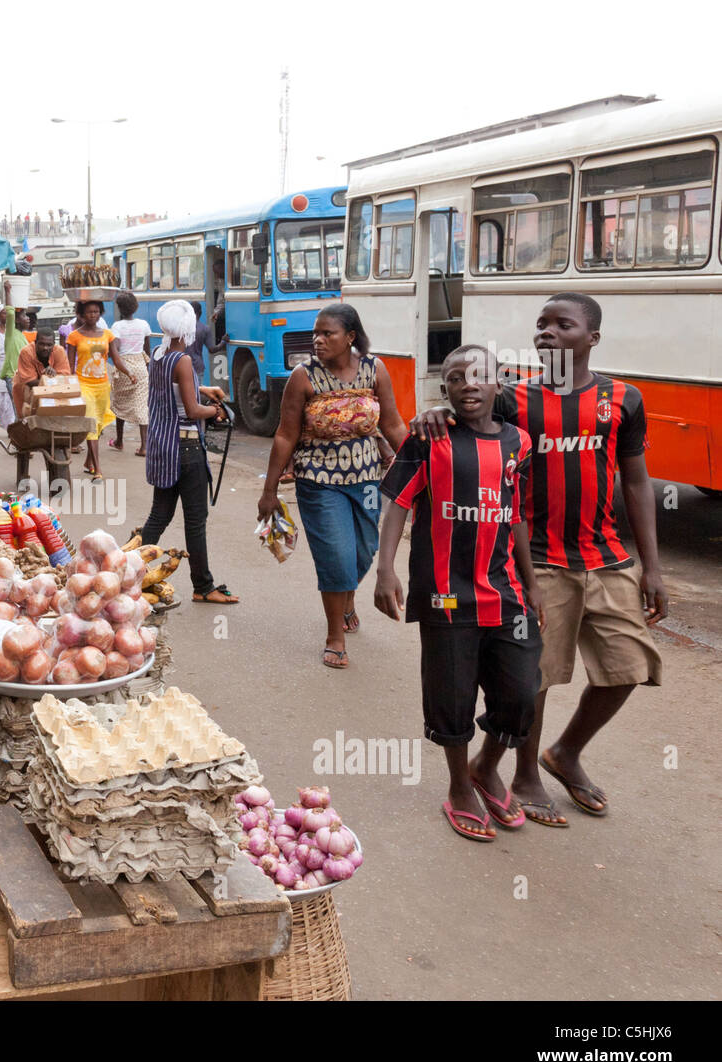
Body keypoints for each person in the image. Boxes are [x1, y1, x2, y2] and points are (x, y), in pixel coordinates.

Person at [411, 292, 666, 827]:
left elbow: (639, 483)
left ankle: (565, 752)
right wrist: (432, 411)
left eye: (562, 324)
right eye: (541, 324)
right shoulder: (514, 399)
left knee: (630, 665)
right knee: (534, 679)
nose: (547, 332)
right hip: (537, 560)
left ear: (591, 338)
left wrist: (654, 568)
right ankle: (523, 772)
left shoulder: (624, 399)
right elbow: (466, 411)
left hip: (607, 558)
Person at [375, 345, 544, 841]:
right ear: (443, 387)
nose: (468, 384)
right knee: (451, 695)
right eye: (455, 377)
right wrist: (385, 571)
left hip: (507, 592)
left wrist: (532, 583)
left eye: (479, 376)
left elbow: (513, 515)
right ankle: (458, 785)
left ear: (498, 383)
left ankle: (486, 766)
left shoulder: (519, 442)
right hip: (446, 595)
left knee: (520, 693)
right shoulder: (429, 437)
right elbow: (400, 505)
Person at [256, 303, 408, 669]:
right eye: (316, 334)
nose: (317, 340)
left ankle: (347, 598)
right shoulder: (303, 377)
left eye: (328, 334)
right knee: (336, 556)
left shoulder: (375, 370)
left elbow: (393, 425)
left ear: (350, 337)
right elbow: (284, 435)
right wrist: (269, 490)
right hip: (319, 482)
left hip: (368, 479)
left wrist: (427, 468)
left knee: (364, 550)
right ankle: (334, 635)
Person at [140, 299, 238, 603]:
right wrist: (217, 412)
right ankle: (203, 587)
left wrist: (204, 390)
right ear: (189, 329)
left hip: (164, 446)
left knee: (159, 515)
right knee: (195, 520)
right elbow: (193, 410)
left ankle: (124, 571)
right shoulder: (182, 360)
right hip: (186, 448)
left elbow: (172, 391)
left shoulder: (158, 355)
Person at [66, 301, 135, 480]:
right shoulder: (74, 336)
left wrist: (129, 373)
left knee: (98, 423)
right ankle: (97, 469)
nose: (93, 315)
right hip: (84, 385)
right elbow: (69, 365)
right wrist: (70, 385)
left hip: (103, 386)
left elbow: (116, 359)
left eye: (96, 312)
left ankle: (88, 462)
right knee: (91, 424)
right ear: (81, 314)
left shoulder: (108, 335)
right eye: (89, 312)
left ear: (100, 313)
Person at [107, 291, 151, 455]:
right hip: (140, 366)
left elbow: (116, 350)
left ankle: (119, 441)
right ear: (136, 306)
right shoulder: (144, 325)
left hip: (124, 368)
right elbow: (146, 349)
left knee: (120, 404)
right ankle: (144, 446)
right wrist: (147, 368)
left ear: (119, 309)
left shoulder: (117, 327)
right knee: (141, 405)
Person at [13, 328, 72, 418]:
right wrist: (50, 379)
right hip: (26, 391)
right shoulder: (26, 352)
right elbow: (30, 382)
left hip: (51, 393)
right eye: (42, 344)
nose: (45, 348)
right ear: (35, 342)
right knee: (25, 422)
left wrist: (54, 375)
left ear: (53, 345)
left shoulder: (59, 351)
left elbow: (65, 377)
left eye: (49, 345)